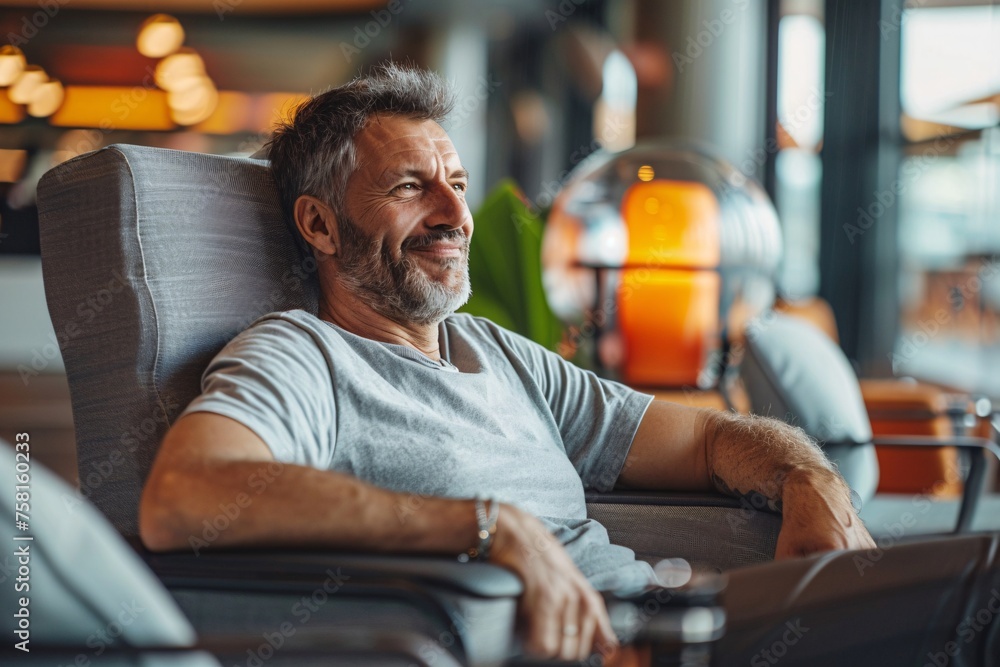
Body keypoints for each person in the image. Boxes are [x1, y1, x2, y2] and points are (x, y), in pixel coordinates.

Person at [139, 63, 878, 662]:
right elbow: (183, 496)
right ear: (320, 224)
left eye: (456, 184)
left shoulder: (494, 350)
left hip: (677, 625)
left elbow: (709, 440)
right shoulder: (303, 355)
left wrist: (807, 475)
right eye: (409, 186)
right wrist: (490, 526)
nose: (456, 215)